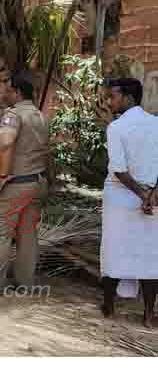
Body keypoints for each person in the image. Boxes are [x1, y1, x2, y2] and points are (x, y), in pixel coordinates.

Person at [0, 70, 50, 294]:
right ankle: (25, 283)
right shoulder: (40, 116)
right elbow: (48, 152)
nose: (6, 94)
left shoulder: (13, 115)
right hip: (37, 182)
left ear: (17, 92)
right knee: (27, 234)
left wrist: (2, 176)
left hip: (16, 183)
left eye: (9, 90)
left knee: (1, 233)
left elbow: (6, 143)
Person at [100, 77, 158, 328]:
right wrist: (152, 193)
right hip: (153, 200)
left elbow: (119, 170)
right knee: (150, 255)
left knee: (114, 250)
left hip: (121, 198)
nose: (109, 101)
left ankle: (109, 307)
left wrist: (141, 194)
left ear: (128, 97)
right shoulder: (156, 124)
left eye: (113, 96)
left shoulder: (116, 128)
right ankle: (148, 314)